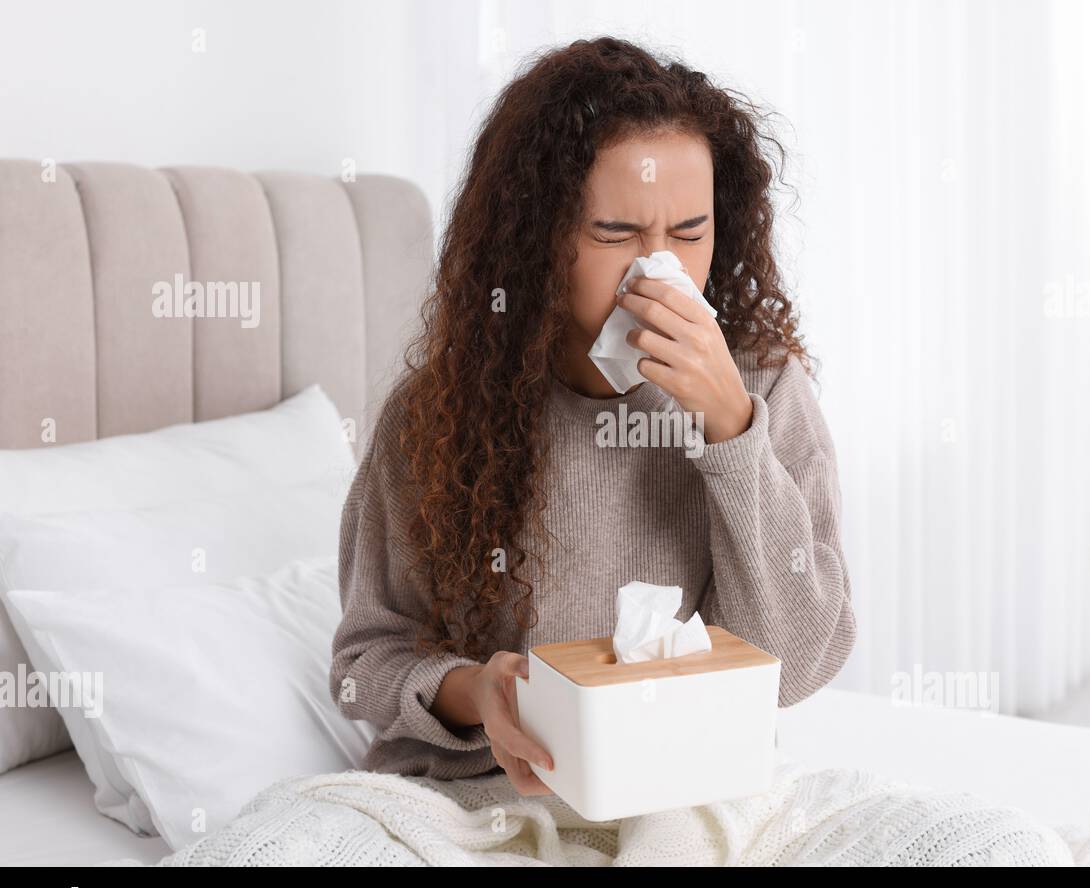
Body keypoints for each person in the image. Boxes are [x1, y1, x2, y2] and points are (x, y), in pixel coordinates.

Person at [330, 36, 855, 797]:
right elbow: (362, 665)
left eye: (689, 233)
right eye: (616, 235)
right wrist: (481, 691)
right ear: (535, 241)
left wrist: (730, 430)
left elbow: (793, 665)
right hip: (482, 797)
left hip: (679, 792)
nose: (659, 270)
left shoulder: (764, 389)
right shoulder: (441, 413)